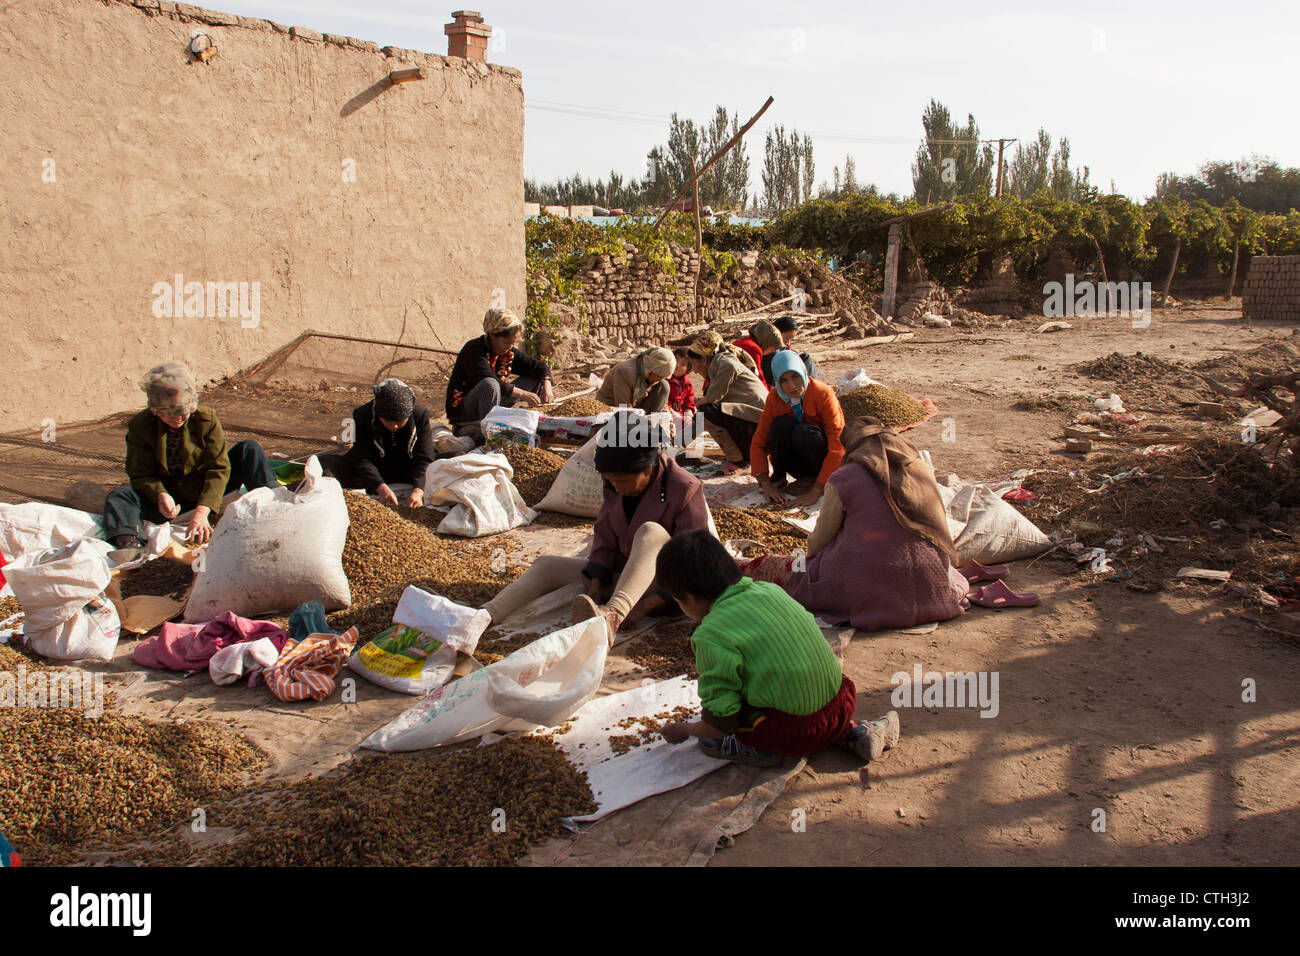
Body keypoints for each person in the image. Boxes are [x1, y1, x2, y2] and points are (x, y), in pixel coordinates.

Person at [655, 530, 901, 765]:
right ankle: (853, 735)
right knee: (798, 696)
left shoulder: (709, 634)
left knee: (713, 738)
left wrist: (682, 729)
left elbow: (720, 724)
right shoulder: (770, 589)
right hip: (842, 703)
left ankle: (759, 749)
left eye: (677, 601)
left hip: (793, 733)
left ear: (688, 596)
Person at [482, 411, 712, 642]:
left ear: (648, 468)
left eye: (622, 481)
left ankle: (612, 617)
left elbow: (692, 565)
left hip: (668, 591)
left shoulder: (684, 489)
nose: (616, 487)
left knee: (650, 532)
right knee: (546, 566)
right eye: (611, 481)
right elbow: (605, 535)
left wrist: (643, 608)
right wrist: (595, 584)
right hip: (622, 579)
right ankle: (483, 617)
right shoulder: (613, 483)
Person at [741, 418, 970, 633]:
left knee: (795, 571)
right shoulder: (922, 470)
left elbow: (818, 542)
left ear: (852, 447)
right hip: (932, 589)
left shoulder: (845, 477)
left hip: (866, 589)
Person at [102, 362, 278, 547]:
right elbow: (140, 474)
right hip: (170, 501)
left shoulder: (206, 420)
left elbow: (218, 468)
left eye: (183, 412)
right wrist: (160, 494)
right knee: (121, 495)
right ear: (156, 412)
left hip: (203, 489)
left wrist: (203, 512)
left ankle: (277, 506)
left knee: (248, 449)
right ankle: (130, 545)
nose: (178, 418)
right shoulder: (140, 427)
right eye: (170, 414)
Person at [318, 379, 464, 508]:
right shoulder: (363, 415)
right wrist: (379, 487)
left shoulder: (420, 415)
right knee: (324, 463)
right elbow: (363, 457)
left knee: (457, 459)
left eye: (400, 422)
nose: (394, 427)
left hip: (409, 467)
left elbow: (424, 457)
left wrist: (419, 490)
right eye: (389, 422)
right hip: (377, 467)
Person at [750, 351, 845, 509]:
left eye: (795, 376)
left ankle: (820, 480)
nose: (792, 385)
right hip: (797, 466)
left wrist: (816, 490)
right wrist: (765, 483)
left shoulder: (823, 393)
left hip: (822, 463)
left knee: (805, 432)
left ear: (803, 371)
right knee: (781, 424)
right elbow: (759, 440)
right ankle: (779, 477)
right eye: (784, 380)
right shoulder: (775, 397)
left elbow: (838, 444)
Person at [446, 307, 554, 437]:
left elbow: (538, 366)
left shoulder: (507, 351)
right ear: (492, 335)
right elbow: (486, 380)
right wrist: (524, 394)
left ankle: (530, 420)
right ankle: (489, 430)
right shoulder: (473, 349)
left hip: (494, 401)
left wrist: (547, 385)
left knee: (536, 377)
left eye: (512, 343)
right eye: (506, 342)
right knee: (490, 384)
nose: (509, 347)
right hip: (467, 407)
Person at [686, 331, 767, 477]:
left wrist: (709, 398)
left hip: (761, 427)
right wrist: (680, 439)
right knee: (706, 411)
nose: (694, 370)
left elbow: (730, 368)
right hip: (753, 423)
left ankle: (739, 461)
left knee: (706, 410)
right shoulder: (716, 370)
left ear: (704, 359)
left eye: (693, 364)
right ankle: (743, 456)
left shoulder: (723, 361)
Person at [596, 347, 676, 413]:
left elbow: (662, 404)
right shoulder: (625, 372)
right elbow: (623, 407)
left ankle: (652, 424)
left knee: (663, 386)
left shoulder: (653, 376)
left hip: (636, 409)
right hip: (611, 409)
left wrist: (667, 421)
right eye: (660, 377)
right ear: (651, 371)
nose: (660, 380)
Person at [759, 315, 820, 386]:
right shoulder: (769, 347)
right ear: (778, 333)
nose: (789, 342)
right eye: (787, 338)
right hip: (776, 380)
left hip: (786, 371)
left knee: (806, 358)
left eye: (791, 339)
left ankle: (811, 387)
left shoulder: (784, 346)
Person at [667, 348, 696, 418]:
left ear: (687, 371)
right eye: (675, 361)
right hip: (668, 412)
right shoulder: (665, 380)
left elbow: (689, 400)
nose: (677, 365)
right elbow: (664, 401)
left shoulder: (687, 384)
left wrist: (688, 410)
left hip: (680, 414)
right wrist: (671, 412)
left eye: (683, 364)